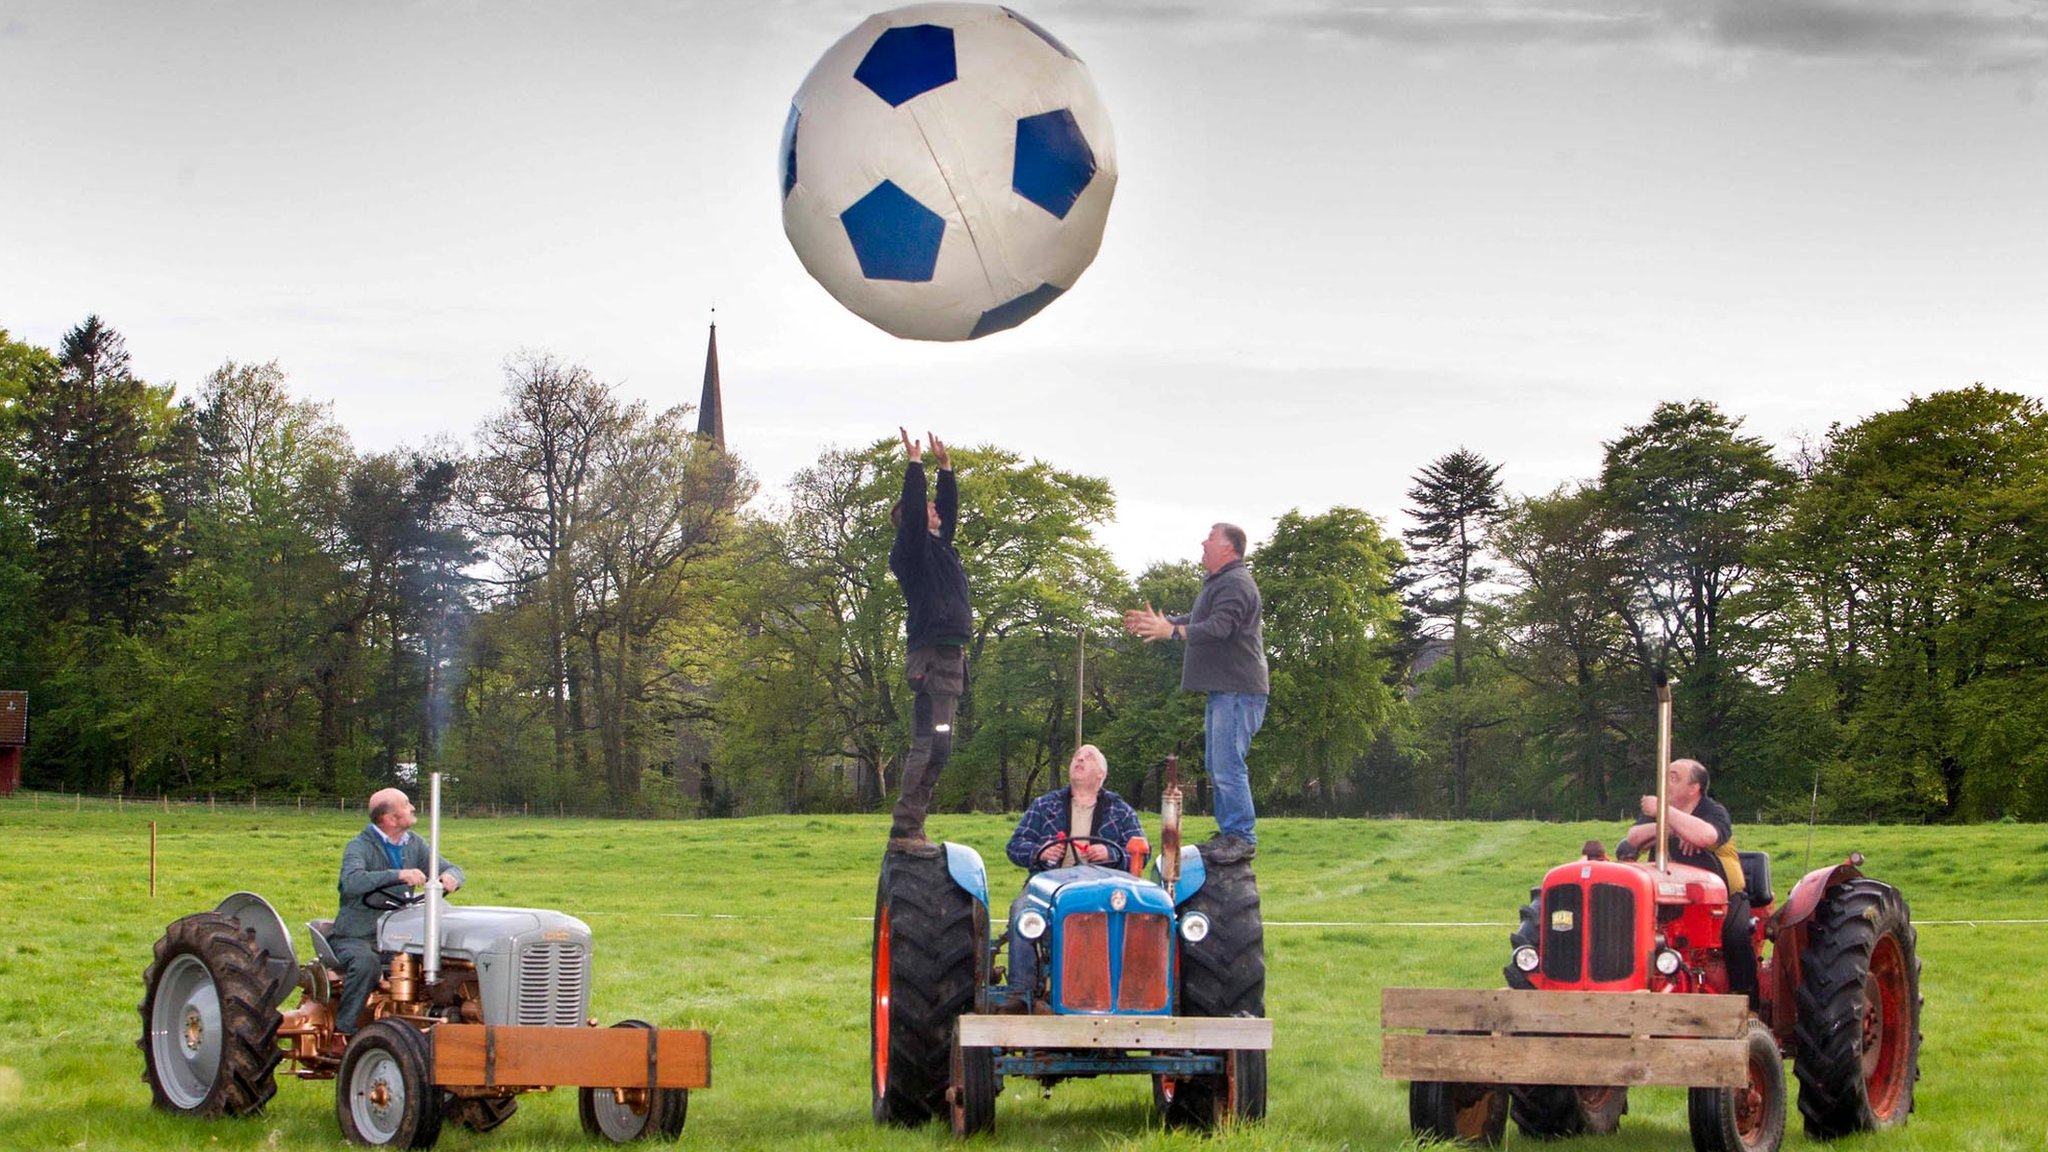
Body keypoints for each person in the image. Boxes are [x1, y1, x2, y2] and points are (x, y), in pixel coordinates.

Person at [1121, 523, 1267, 864]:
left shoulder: (1236, 583)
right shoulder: (1222, 582)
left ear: (1229, 548)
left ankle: (1241, 837)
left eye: (1211, 537)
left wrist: (1171, 631)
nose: (1203, 541)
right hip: (1227, 691)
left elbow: (1219, 627)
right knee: (1218, 765)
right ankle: (1231, 833)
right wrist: (1163, 624)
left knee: (1228, 765)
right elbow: (1201, 618)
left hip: (1238, 691)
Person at [886, 427, 972, 857]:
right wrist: (915, 467)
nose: (937, 511)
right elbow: (920, 513)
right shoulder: (911, 554)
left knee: (941, 747)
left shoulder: (941, 548)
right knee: (928, 744)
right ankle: (905, 828)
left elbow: (949, 512)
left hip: (950, 660)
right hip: (930, 660)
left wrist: (946, 470)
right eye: (928, 509)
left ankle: (914, 825)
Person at [1002, 744, 1143, 1004]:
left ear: (1101, 774)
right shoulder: (1044, 805)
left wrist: (1113, 855)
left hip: (1103, 889)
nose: (1079, 759)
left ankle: (1128, 994)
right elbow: (1014, 846)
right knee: (1023, 911)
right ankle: (1020, 994)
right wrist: (1039, 853)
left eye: (1088, 757)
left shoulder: (1120, 810)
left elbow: (1140, 851)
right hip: (1047, 885)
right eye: (1076, 756)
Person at [330, 786, 463, 1055]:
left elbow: (452, 867)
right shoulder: (360, 846)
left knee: (438, 966)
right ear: (390, 818)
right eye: (406, 804)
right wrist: (397, 875)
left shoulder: (414, 843)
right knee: (365, 964)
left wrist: (452, 877)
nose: (412, 807)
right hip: (357, 936)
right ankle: (342, 1033)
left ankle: (433, 1028)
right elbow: (352, 882)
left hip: (399, 936)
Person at [1618, 758, 1757, 1003]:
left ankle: (1744, 996)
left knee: (1735, 935)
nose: (1666, 782)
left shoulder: (1712, 811)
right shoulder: (1659, 814)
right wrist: (1673, 827)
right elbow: (1634, 837)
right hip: (1668, 898)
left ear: (1694, 788)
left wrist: (1664, 813)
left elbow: (1705, 835)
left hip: (1720, 899)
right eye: (1665, 776)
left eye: (1674, 777)